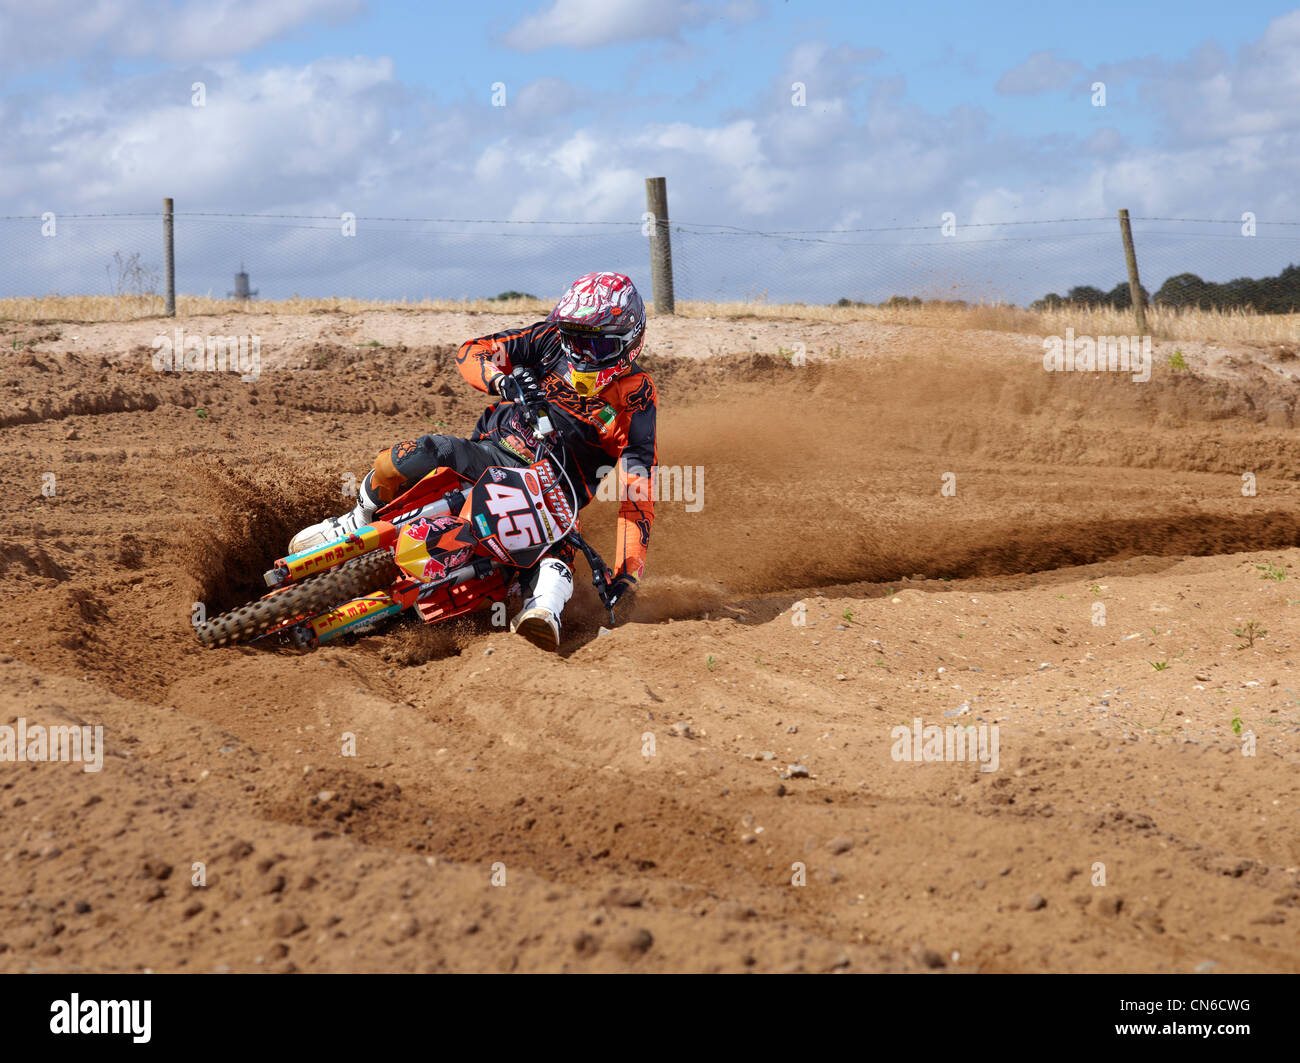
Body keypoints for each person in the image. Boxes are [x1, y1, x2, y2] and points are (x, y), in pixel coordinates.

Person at [289, 271, 658, 650]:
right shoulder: (548, 340)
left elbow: (638, 491)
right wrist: (503, 382)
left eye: (592, 347)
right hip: (492, 452)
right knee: (421, 453)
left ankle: (542, 613)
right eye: (572, 341)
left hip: (554, 500)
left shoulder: (637, 398)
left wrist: (627, 576)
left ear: (627, 343)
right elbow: (472, 350)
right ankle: (356, 520)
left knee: (557, 559)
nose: (578, 354)